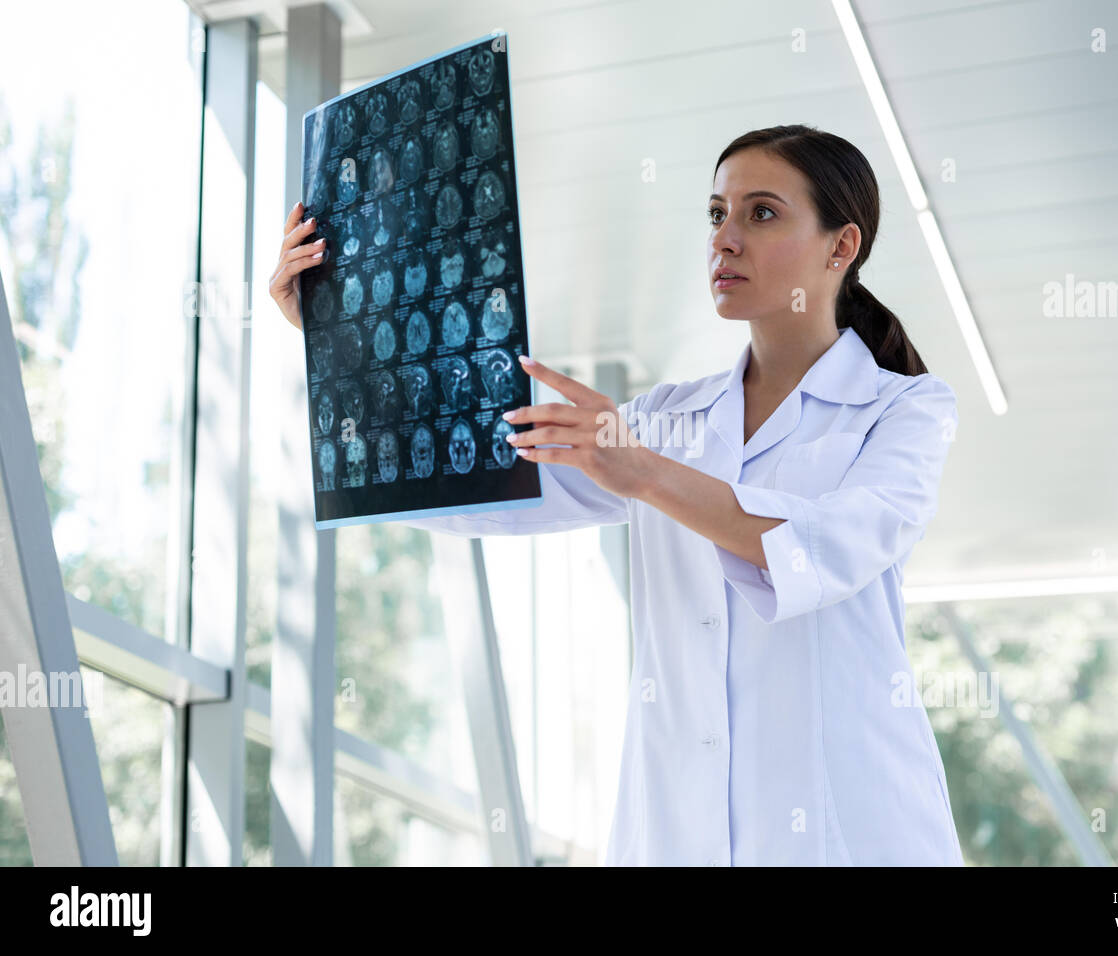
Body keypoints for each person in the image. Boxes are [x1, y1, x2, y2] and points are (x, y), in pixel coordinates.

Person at [270, 123, 962, 867]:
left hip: (851, 832)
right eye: (715, 213)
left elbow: (831, 546)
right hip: (676, 834)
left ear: (842, 246)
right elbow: (482, 487)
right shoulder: (664, 419)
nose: (725, 239)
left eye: (761, 213)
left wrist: (643, 472)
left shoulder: (905, 410)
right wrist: (326, 336)